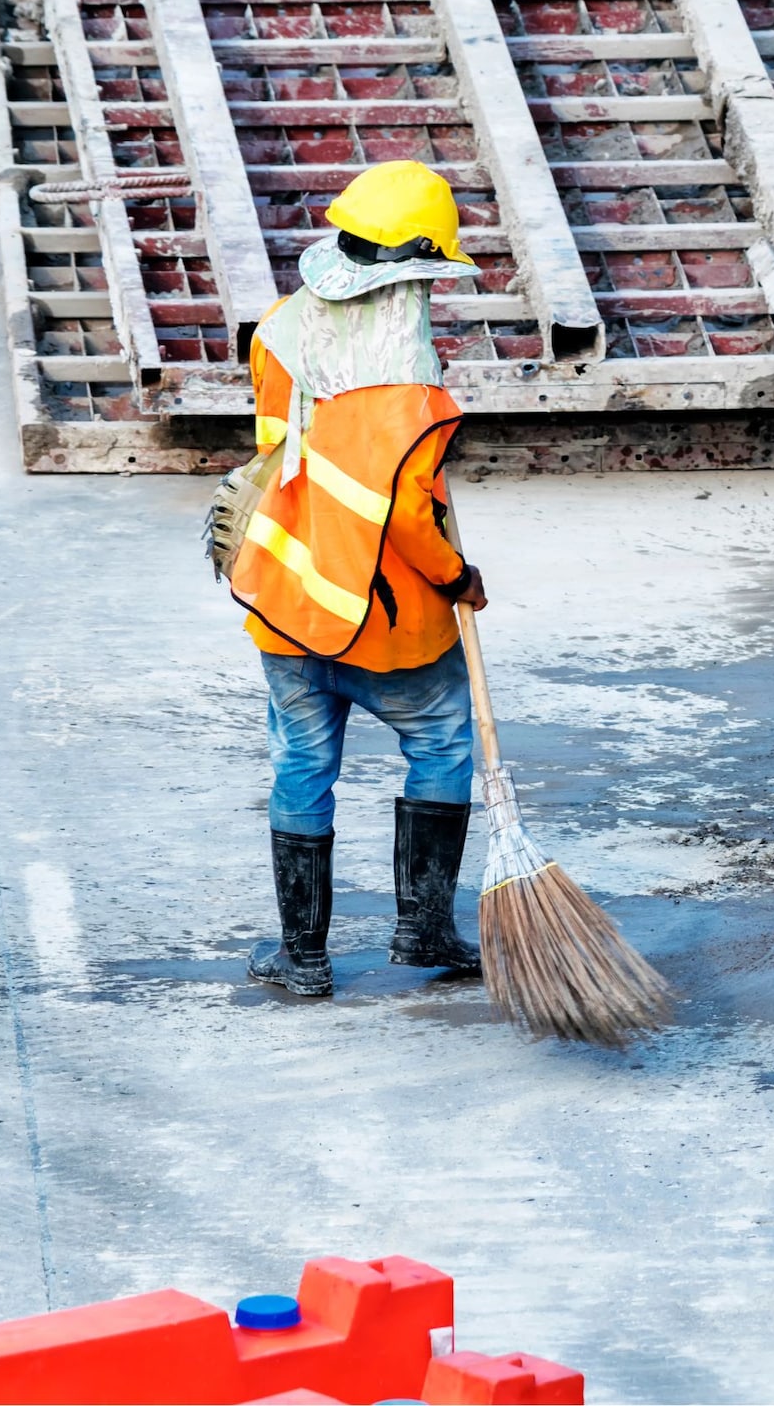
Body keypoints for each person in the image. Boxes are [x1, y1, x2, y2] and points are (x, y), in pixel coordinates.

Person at [225, 160, 490, 998]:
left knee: (302, 763)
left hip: (291, 597)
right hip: (391, 617)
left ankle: (301, 958)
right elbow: (411, 520)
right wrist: (459, 575)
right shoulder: (407, 391)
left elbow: (279, 454)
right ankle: (424, 927)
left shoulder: (275, 330)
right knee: (441, 744)